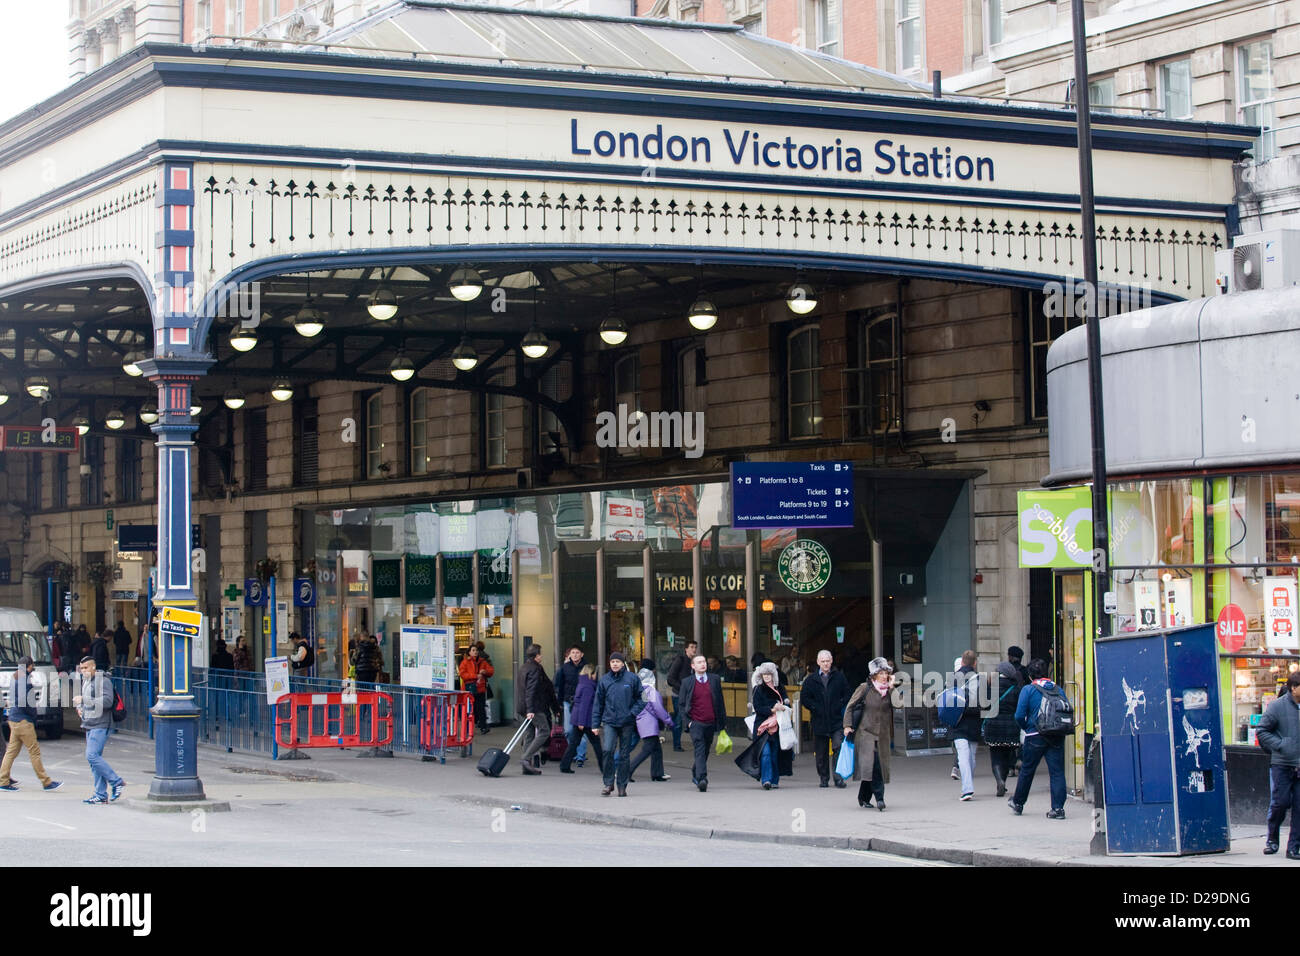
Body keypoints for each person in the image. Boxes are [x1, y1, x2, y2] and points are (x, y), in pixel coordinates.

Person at [1009, 658, 1069, 819]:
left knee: (1027, 770)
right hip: (1056, 734)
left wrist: (1027, 727)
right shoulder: (1058, 689)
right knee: (1057, 772)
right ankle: (1058, 809)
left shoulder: (1028, 690)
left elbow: (1019, 715)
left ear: (1030, 675)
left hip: (1035, 734)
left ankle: (1018, 803)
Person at [0, 656, 63, 793]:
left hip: (14, 718)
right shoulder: (25, 680)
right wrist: (33, 715)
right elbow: (26, 702)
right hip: (23, 720)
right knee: (34, 752)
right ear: (29, 666)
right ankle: (46, 782)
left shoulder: (15, 677)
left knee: (11, 752)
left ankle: (3, 781)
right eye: (32, 665)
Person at [1256, 670, 1300, 856]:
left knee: (1299, 807)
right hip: (1282, 764)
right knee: (1280, 803)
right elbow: (1262, 730)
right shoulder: (1277, 706)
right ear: (1294, 688)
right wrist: (1280, 745)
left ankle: (1294, 847)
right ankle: (1272, 839)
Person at [843, 657, 896, 810]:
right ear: (873, 675)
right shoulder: (864, 688)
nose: (884, 676)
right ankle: (880, 798)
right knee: (874, 766)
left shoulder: (889, 690)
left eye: (886, 673)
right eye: (881, 673)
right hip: (865, 733)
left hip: (883, 735)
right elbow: (850, 706)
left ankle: (863, 797)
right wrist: (847, 725)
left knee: (871, 768)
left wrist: (892, 688)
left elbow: (900, 705)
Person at [590, 652, 645, 796]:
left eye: (617, 661)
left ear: (622, 663)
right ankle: (608, 783)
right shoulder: (604, 680)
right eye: (612, 661)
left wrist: (632, 713)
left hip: (627, 722)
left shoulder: (632, 678)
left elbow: (643, 698)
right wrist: (595, 724)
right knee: (607, 750)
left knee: (624, 755)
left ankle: (622, 785)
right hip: (609, 721)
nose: (614, 664)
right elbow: (598, 703)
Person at [74, 657, 124, 805]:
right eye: (81, 669)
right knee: (94, 761)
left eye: (86, 668)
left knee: (92, 755)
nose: (84, 671)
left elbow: (107, 701)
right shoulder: (87, 681)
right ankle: (101, 794)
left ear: (94, 667)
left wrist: (83, 700)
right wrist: (80, 708)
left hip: (101, 723)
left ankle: (116, 781)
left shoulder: (103, 681)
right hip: (89, 723)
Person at [801, 649, 851, 788]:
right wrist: (815, 708)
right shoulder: (811, 680)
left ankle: (838, 778)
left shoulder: (839, 677)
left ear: (831, 661)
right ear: (818, 662)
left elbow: (847, 694)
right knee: (821, 752)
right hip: (819, 720)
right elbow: (805, 698)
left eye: (827, 661)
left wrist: (840, 706)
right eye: (822, 661)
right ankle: (824, 778)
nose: (825, 664)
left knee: (838, 747)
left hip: (836, 720)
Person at [677, 654, 726, 792]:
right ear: (693, 666)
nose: (702, 664)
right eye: (699, 662)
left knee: (705, 750)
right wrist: (688, 723)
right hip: (696, 722)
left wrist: (722, 723)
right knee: (699, 748)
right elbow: (681, 704)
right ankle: (702, 778)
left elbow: (720, 701)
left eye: (704, 661)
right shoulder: (687, 682)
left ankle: (696, 771)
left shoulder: (714, 679)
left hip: (711, 721)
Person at [629, 659, 674, 783]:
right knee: (647, 750)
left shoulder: (640, 690)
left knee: (656, 748)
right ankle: (628, 771)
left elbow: (646, 706)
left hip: (643, 722)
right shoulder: (651, 691)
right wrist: (669, 721)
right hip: (649, 724)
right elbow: (658, 708)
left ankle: (657, 773)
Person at [516, 643, 558, 775]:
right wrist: (530, 710)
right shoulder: (535, 669)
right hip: (534, 707)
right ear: (536, 656)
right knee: (544, 731)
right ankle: (526, 758)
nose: (541, 656)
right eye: (540, 654)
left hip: (522, 706)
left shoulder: (524, 667)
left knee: (529, 733)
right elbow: (531, 690)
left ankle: (526, 766)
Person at [983, 660, 1022, 798]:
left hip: (993, 726)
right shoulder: (1016, 688)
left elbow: (984, 706)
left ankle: (999, 780)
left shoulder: (990, 687)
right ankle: (1004, 780)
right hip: (1011, 726)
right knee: (1007, 755)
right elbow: (1020, 708)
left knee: (996, 755)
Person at [558, 663, 604, 773]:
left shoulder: (582, 682)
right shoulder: (589, 686)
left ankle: (564, 765)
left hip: (578, 719)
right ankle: (604, 768)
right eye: (594, 674)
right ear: (591, 674)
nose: (595, 676)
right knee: (596, 744)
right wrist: (582, 722)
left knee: (574, 743)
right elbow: (585, 705)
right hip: (586, 720)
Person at [750, 662, 788, 790]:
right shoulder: (758, 689)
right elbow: (758, 708)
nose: (766, 676)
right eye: (764, 674)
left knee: (774, 753)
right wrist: (772, 709)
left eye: (769, 674)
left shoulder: (780, 688)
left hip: (778, 726)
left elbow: (787, 702)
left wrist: (784, 707)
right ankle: (766, 780)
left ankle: (774, 780)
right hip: (763, 726)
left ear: (773, 675)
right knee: (765, 753)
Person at [951, 650, 982, 801]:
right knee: (971, 757)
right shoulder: (979, 679)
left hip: (958, 721)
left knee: (963, 755)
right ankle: (968, 785)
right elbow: (986, 702)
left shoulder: (953, 678)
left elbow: (946, 700)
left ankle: (967, 788)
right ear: (975, 663)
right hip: (974, 721)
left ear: (962, 662)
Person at [664, 640, 697, 753]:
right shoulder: (681, 660)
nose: (694, 649)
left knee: (693, 718)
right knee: (678, 719)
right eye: (691, 647)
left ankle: (697, 742)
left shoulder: (694, 662)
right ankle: (676, 744)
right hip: (679, 694)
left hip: (691, 695)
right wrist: (683, 688)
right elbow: (670, 679)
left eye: (695, 647)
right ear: (686, 649)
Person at [553, 646, 585, 756]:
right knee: (568, 730)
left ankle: (580, 755)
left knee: (582, 730)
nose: (575, 654)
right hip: (567, 701)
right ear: (569, 655)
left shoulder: (587, 668)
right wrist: (558, 703)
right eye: (573, 652)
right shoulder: (564, 668)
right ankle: (573, 751)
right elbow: (558, 686)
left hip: (582, 702)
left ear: (582, 654)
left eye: (577, 652)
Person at [458, 644, 495, 735]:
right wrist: (475, 676)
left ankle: (483, 727)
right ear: (469, 652)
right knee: (469, 709)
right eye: (473, 650)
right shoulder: (465, 662)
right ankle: (467, 728)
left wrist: (485, 672)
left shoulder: (483, 662)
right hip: (469, 689)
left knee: (481, 709)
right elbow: (463, 674)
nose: (475, 652)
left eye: (476, 650)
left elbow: (491, 671)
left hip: (480, 689)